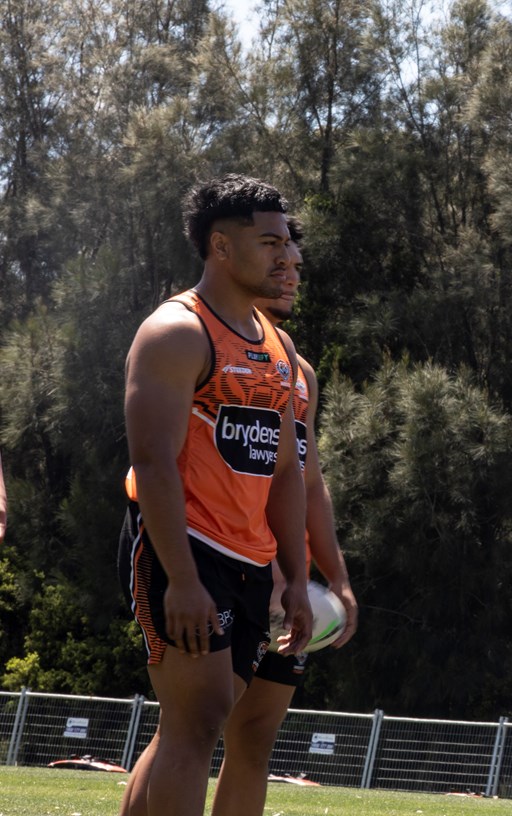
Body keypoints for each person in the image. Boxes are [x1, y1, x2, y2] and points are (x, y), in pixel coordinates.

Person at [118, 174, 313, 816]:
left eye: (287, 242)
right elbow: (153, 464)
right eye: (269, 242)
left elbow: (288, 473)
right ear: (220, 248)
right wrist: (182, 580)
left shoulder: (279, 349)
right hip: (186, 549)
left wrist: (294, 576)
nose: (286, 256)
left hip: (251, 561)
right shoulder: (176, 331)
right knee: (197, 722)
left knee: (199, 721)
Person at [211, 218, 359, 816]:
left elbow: (308, 481)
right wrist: (263, 568)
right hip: (228, 564)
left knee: (254, 739)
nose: (289, 273)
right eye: (276, 257)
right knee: (190, 732)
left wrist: (335, 577)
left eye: (295, 263)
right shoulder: (203, 339)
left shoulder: (301, 373)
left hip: (286, 582)